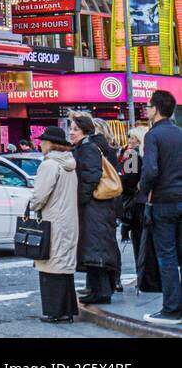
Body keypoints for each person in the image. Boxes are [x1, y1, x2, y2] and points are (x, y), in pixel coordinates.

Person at [140, 90, 182, 324]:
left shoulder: (153, 135)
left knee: (166, 256)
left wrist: (145, 190)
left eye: (147, 106)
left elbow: (150, 170)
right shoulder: (180, 133)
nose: (146, 110)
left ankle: (171, 309)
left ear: (156, 109)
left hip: (163, 201)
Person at [30, 126, 80, 322]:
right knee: (63, 266)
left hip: (52, 221)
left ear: (50, 144)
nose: (40, 144)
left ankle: (55, 311)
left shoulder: (49, 165)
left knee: (50, 266)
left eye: (43, 141)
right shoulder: (69, 164)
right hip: (68, 220)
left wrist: (33, 204)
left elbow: (40, 195)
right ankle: (67, 309)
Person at [70, 114, 120, 306]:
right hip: (94, 207)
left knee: (95, 248)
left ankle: (102, 292)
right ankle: (98, 290)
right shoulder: (84, 147)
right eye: (71, 129)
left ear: (85, 131)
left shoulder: (88, 148)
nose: (72, 133)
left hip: (95, 207)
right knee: (93, 248)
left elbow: (92, 175)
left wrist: (81, 198)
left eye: (75, 129)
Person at [120, 126, 147, 273]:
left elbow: (128, 180)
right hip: (147, 202)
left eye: (132, 137)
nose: (129, 140)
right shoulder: (148, 154)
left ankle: (142, 276)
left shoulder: (132, 155)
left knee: (138, 241)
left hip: (135, 204)